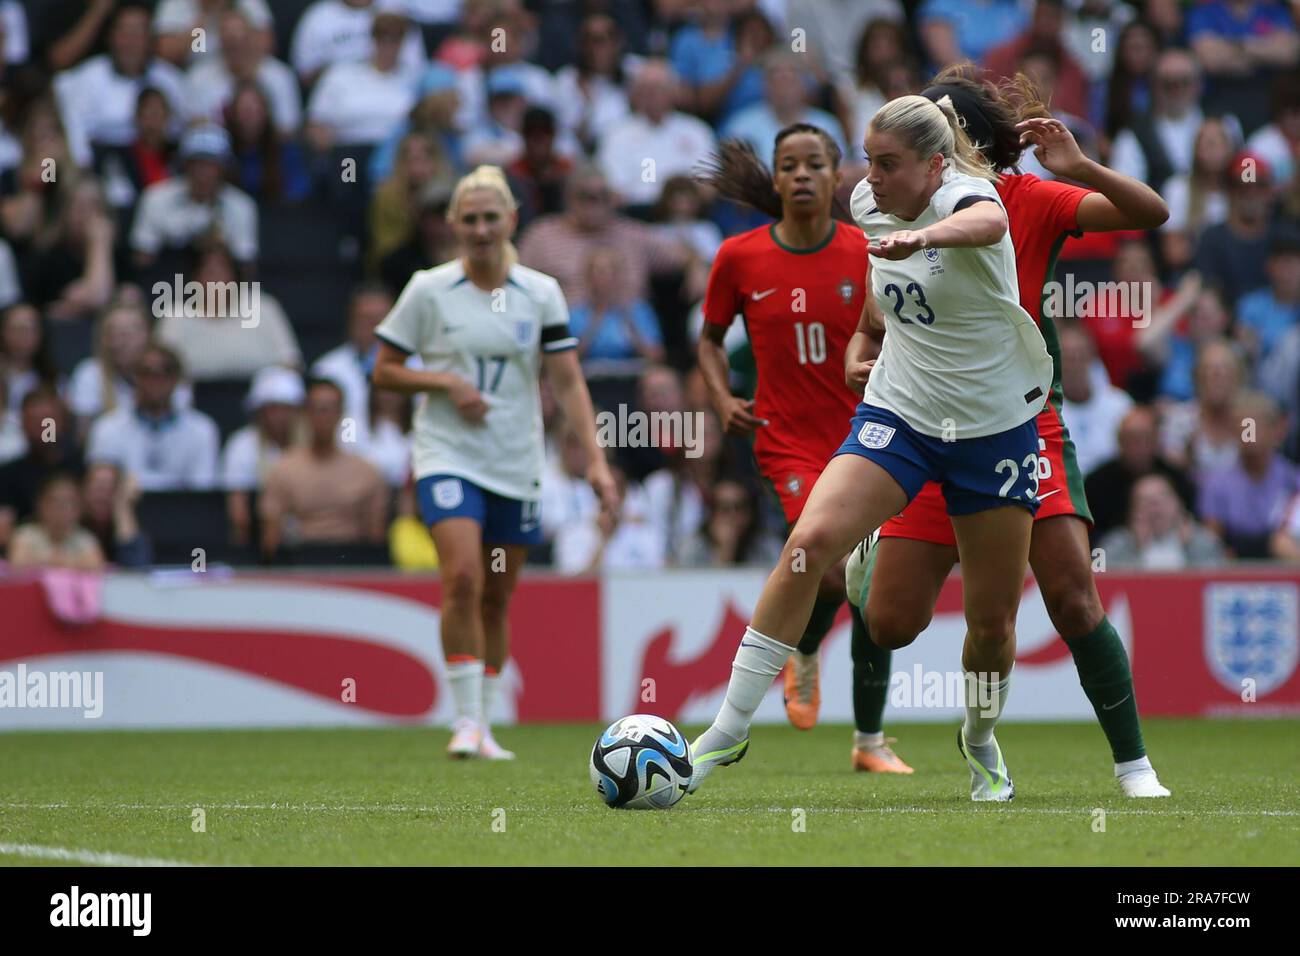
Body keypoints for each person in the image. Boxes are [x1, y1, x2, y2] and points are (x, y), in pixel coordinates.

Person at [688, 92, 1055, 804]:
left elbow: (985, 224)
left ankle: (979, 738)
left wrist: (923, 238)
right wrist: (863, 344)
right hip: (902, 414)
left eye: (887, 164)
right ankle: (727, 730)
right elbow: (880, 305)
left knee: (990, 624)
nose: (870, 178)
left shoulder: (969, 196)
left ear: (934, 164)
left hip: (994, 428)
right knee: (808, 542)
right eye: (867, 159)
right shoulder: (867, 204)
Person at [843, 67, 1174, 799]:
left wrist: (1082, 164)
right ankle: (870, 557)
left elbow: (1150, 215)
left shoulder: (1027, 200)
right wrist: (861, 359)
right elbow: (870, 326)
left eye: (936, 126)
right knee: (891, 622)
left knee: (1072, 594)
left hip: (1022, 419)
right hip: (925, 423)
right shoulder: (898, 206)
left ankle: (1132, 767)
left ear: (962, 140)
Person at [371, 165, 617, 761]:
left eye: (491, 218)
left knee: (497, 599)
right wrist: (445, 382)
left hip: (515, 460)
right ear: (453, 225)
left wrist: (596, 460)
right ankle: (465, 720)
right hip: (447, 455)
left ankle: (483, 722)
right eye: (469, 219)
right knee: (461, 577)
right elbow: (383, 369)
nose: (481, 229)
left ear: (511, 221)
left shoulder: (541, 293)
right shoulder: (429, 289)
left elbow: (569, 380)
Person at [693, 124, 912, 772]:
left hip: (868, 435)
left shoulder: (867, 250)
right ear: (779, 178)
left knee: (874, 585)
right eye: (789, 165)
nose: (802, 176)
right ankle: (807, 656)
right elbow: (707, 341)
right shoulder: (739, 256)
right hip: (786, 442)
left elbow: (894, 330)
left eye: (815, 164)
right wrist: (721, 396)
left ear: (838, 174)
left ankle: (866, 738)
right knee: (840, 568)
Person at [258, 377, 388, 557]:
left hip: (351, 561)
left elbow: (375, 538)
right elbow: (271, 538)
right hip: (299, 562)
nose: (324, 416)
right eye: (318, 409)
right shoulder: (283, 469)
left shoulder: (366, 472)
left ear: (341, 414)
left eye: (330, 409)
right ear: (305, 414)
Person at [84, 342, 220, 490]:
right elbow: (101, 492)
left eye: (165, 373)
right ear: (135, 377)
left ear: (177, 379)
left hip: (184, 510)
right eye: (147, 373)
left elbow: (202, 490)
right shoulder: (108, 428)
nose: (156, 380)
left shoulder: (201, 429)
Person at [1098, 473, 1225, 569]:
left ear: (1179, 504)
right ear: (1132, 511)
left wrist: (1190, 548)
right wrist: (1136, 549)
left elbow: (1216, 583)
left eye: (1162, 497)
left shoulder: (1203, 540)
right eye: (1144, 500)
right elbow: (1107, 584)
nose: (1154, 506)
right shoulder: (1115, 543)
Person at [7, 471, 104, 571]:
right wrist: (64, 564)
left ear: (79, 508)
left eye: (69, 503)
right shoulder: (24, 535)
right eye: (56, 502)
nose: (62, 509)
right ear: (41, 505)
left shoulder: (86, 539)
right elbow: (17, 566)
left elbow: (96, 569)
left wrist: (48, 563)